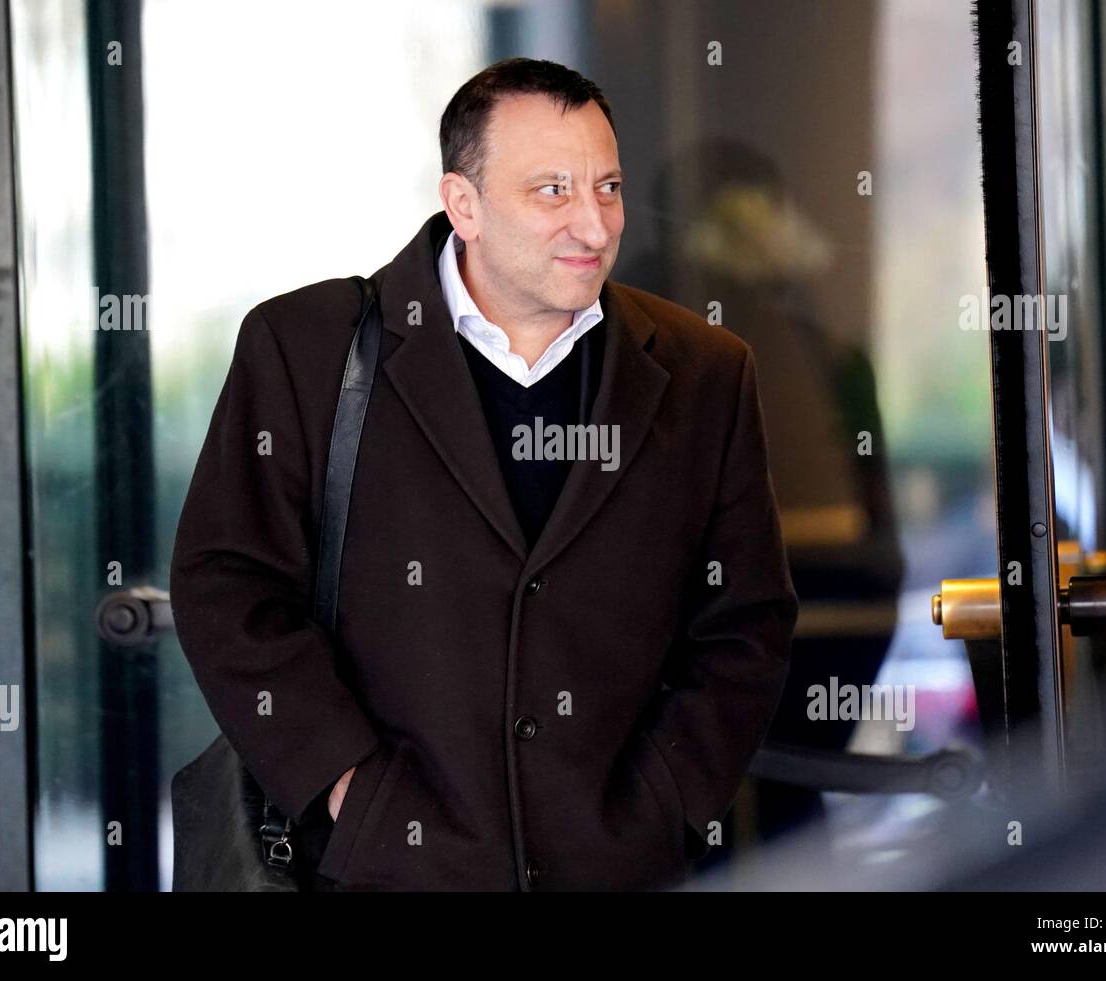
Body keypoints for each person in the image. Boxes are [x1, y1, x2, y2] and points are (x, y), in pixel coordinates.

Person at [169, 56, 798, 892]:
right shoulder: (306, 348)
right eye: (553, 192)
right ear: (462, 204)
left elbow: (745, 622)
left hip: (613, 873)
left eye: (606, 187)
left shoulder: (707, 372)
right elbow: (228, 584)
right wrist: (345, 789)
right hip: (378, 869)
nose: (595, 225)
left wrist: (663, 803)